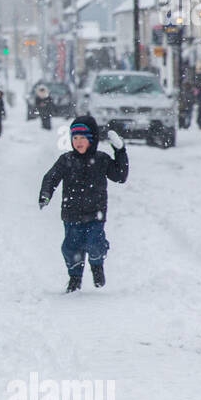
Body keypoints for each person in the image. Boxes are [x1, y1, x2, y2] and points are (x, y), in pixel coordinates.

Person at [38, 116, 128, 292]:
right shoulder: (67, 160)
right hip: (71, 214)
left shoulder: (101, 159)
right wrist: (45, 194)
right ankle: (75, 278)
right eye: (75, 138)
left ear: (92, 139)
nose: (78, 142)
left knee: (95, 243)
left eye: (83, 138)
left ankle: (96, 265)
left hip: (95, 213)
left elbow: (120, 176)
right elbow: (52, 177)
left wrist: (120, 152)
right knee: (71, 248)